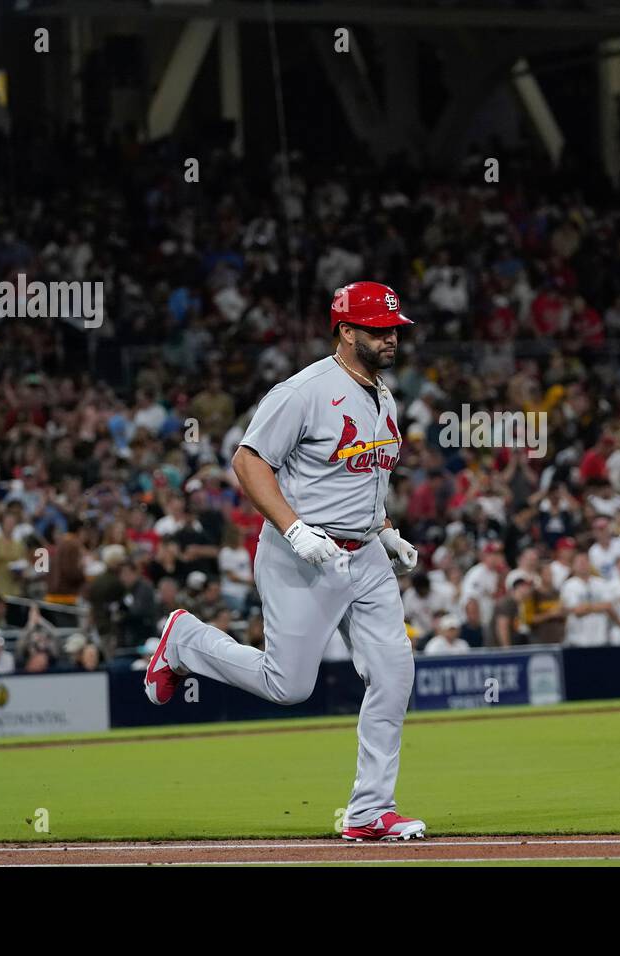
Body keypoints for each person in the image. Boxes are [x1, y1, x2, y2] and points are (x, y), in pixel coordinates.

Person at [143, 281, 426, 842]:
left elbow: (360, 479)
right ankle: (185, 642)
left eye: (393, 328)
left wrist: (387, 531)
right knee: (288, 685)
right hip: (303, 552)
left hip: (365, 553)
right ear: (346, 331)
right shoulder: (302, 391)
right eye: (377, 328)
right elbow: (248, 463)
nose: (390, 337)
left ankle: (370, 811)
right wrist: (295, 530)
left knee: (395, 671)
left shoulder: (384, 396)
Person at [559, 552, 614, 648]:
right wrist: (598, 606)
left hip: (600, 638)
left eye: (585, 561)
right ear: (573, 566)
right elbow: (578, 611)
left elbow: (608, 605)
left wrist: (587, 607)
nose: (583, 565)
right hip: (577, 640)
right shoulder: (568, 585)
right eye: (579, 562)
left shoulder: (601, 583)